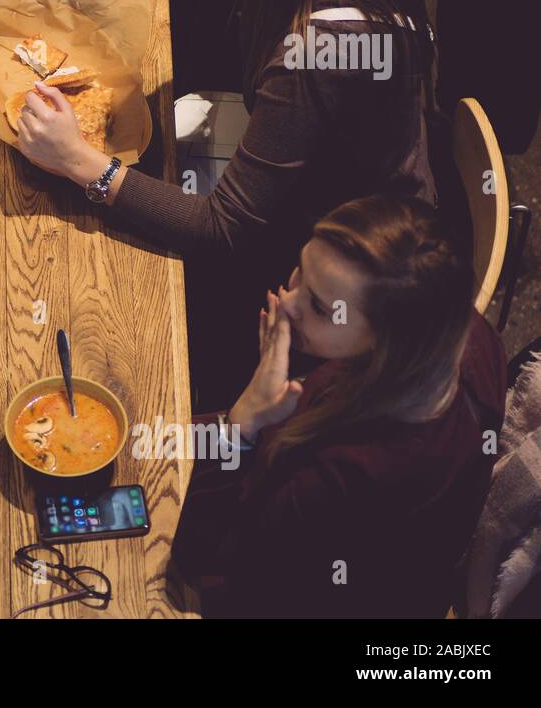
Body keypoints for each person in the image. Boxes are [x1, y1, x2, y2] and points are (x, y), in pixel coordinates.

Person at [0, 0, 438, 406]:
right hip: (308, 174)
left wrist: (80, 163)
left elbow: (224, 227)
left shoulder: (315, 59)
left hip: (343, 254)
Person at [171, 194, 506, 617]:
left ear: (386, 344)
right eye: (300, 273)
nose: (286, 302)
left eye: (319, 307)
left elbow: (196, 556)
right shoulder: (469, 336)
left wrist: (242, 422)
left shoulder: (345, 473)